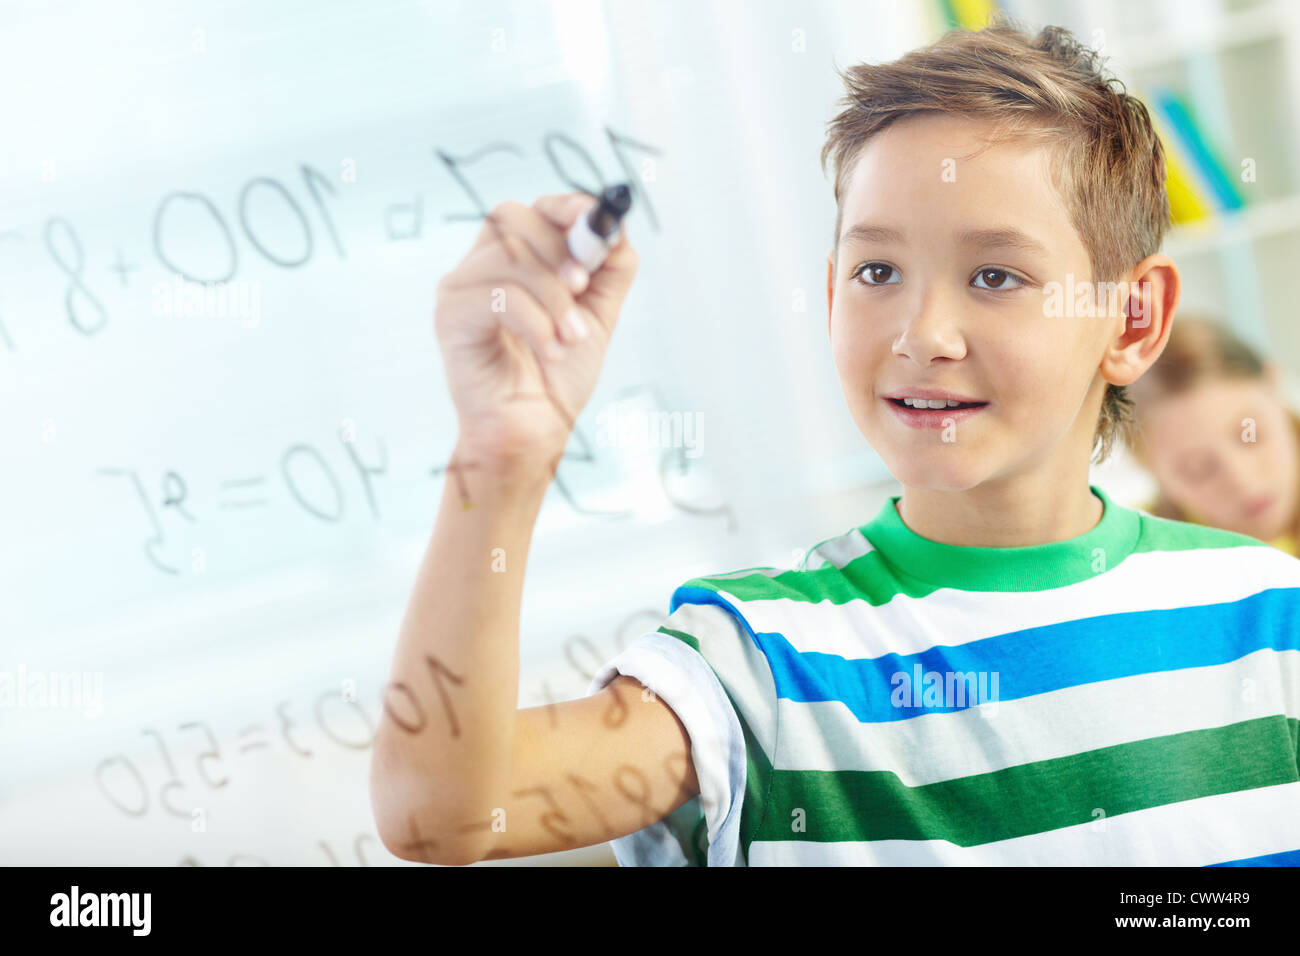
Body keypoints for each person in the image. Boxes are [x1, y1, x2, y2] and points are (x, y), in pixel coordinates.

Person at [369, 17, 1300, 866]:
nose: (920, 333)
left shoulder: (1272, 617)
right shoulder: (758, 664)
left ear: (1133, 319)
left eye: (994, 275)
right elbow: (445, 811)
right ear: (829, 295)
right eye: (878, 270)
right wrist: (500, 460)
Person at [1124, 315, 1300, 557]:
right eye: (1198, 468)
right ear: (1147, 465)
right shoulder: (1136, 558)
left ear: (1274, 386)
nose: (1243, 480)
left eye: (1252, 435)